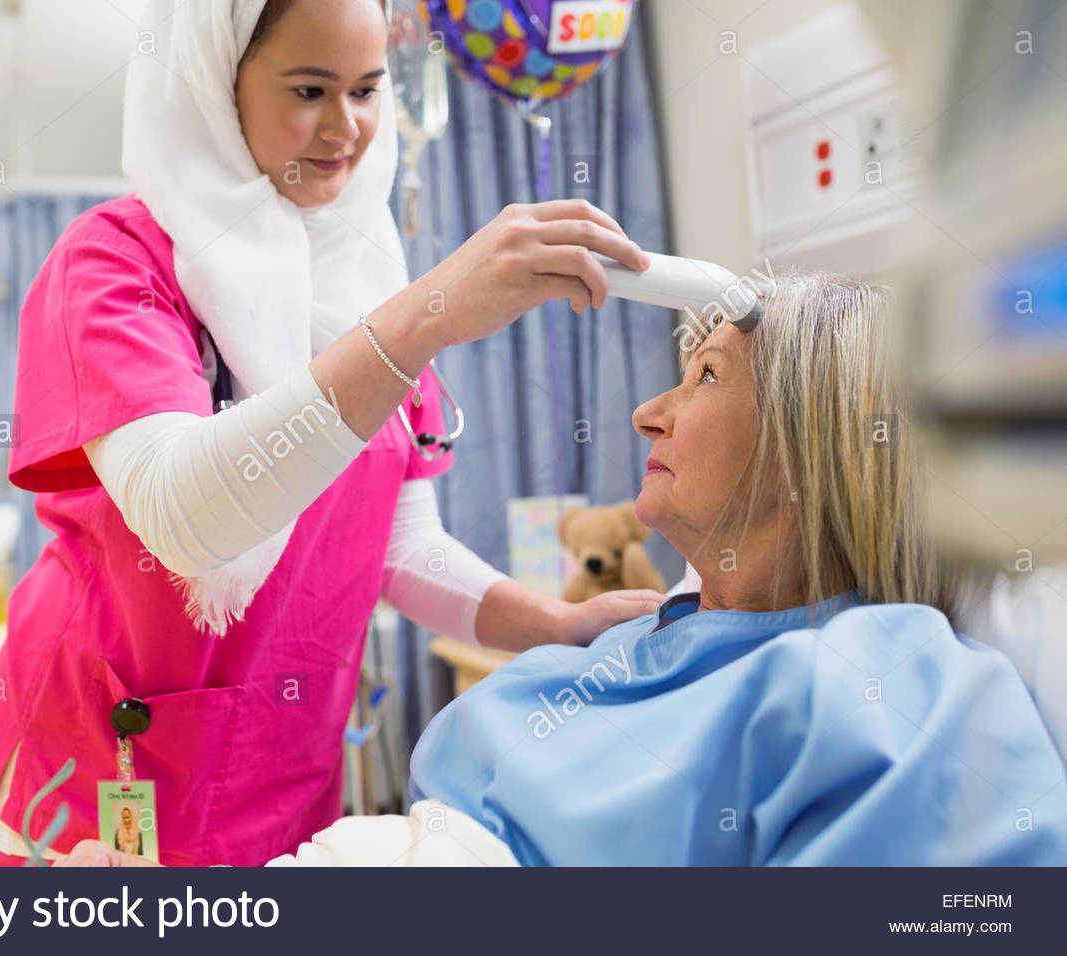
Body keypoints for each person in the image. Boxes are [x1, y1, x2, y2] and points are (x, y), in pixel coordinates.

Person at [0, 0, 658, 867]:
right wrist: (418, 323)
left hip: (278, 777)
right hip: (102, 781)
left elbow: (397, 544)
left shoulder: (368, 283)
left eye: (367, 90)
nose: (348, 127)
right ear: (219, 88)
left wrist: (552, 624)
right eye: (309, 89)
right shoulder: (114, 263)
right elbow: (186, 517)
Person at [57, 270, 1067, 867]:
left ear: (810, 446)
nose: (647, 411)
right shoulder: (648, 633)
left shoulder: (899, 682)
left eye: (705, 376)